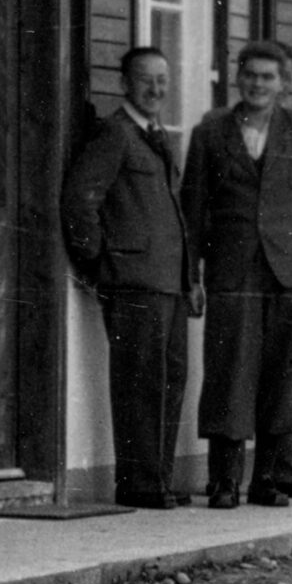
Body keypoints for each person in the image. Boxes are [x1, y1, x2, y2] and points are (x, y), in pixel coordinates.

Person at [178, 39, 292, 508]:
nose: (258, 84)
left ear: (284, 83)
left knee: (286, 374)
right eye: (250, 74)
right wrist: (191, 276)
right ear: (238, 78)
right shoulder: (211, 131)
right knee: (228, 371)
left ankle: (270, 479)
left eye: (268, 77)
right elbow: (192, 209)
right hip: (232, 270)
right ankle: (223, 481)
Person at [61, 46, 197, 508]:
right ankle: (138, 483)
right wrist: (99, 263)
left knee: (169, 379)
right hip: (134, 280)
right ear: (124, 84)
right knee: (140, 381)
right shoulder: (115, 134)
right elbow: (81, 199)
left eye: (162, 79)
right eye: (145, 80)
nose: (156, 89)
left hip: (169, 281)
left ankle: (157, 477)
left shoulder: (160, 137)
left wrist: (188, 276)